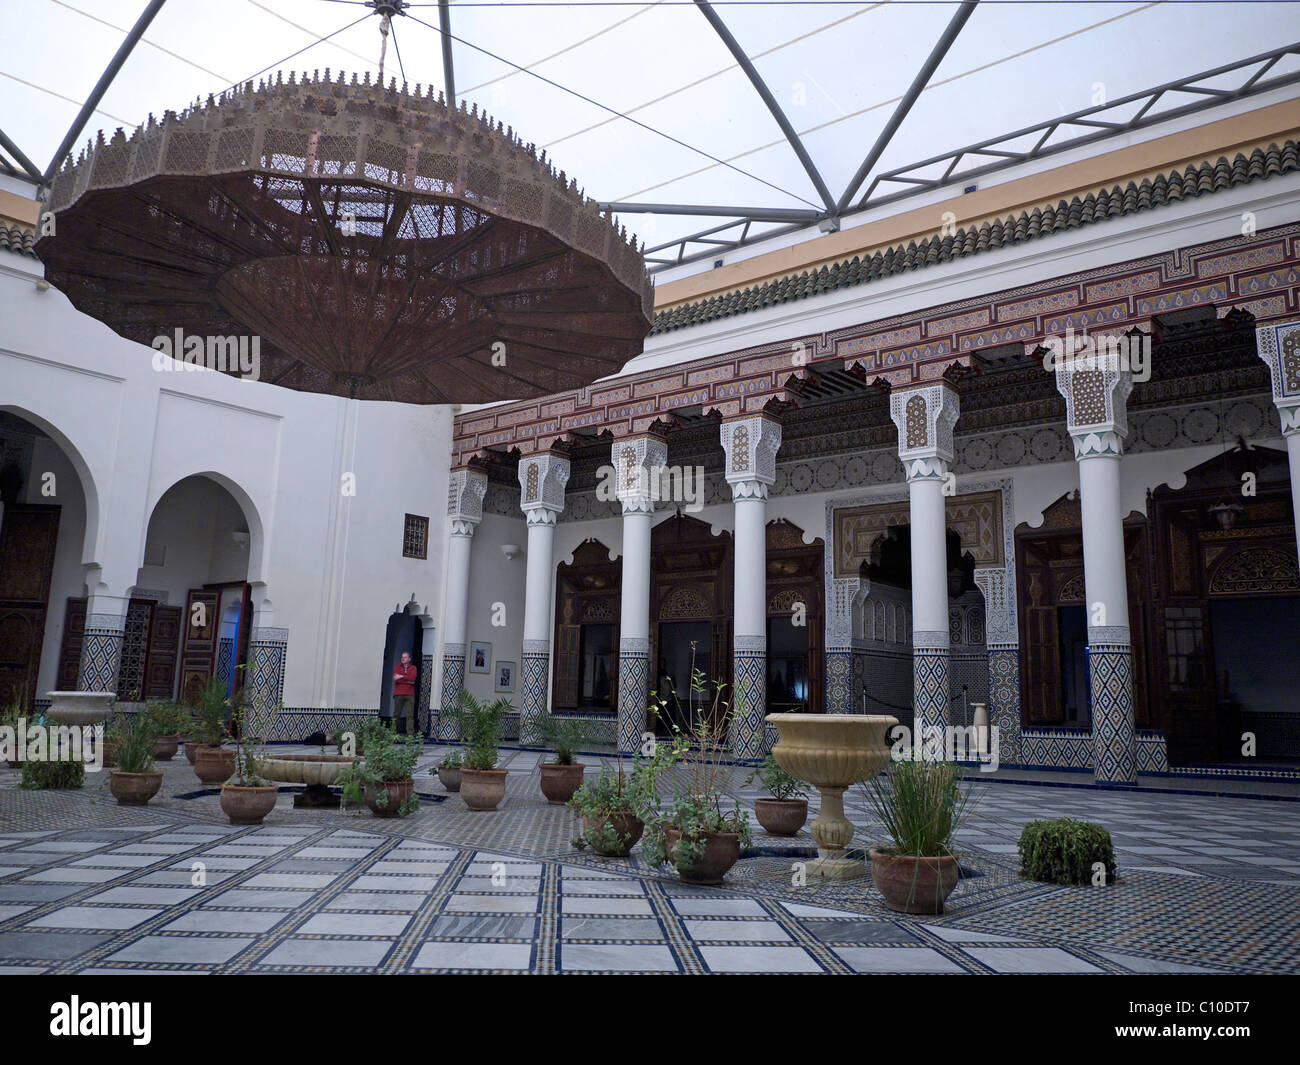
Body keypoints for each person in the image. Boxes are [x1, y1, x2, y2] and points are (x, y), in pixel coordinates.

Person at [392, 651, 418, 735]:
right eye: (402, 657)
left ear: (409, 659)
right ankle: (393, 731)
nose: (403, 658)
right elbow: (396, 678)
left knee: (409, 714)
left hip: (410, 694)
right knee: (396, 714)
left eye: (405, 657)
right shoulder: (397, 667)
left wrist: (402, 676)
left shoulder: (413, 668)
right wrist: (407, 680)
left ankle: (410, 733)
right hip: (398, 693)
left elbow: (413, 679)